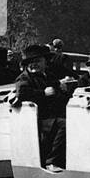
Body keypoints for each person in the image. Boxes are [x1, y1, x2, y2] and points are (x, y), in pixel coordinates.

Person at [12, 43, 67, 171]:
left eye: (37, 61)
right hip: (38, 119)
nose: (33, 64)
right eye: (30, 62)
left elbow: (57, 91)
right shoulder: (24, 78)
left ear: (45, 62)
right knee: (64, 124)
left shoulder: (48, 75)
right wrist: (43, 93)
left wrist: (63, 88)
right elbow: (22, 94)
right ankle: (51, 162)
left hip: (53, 116)